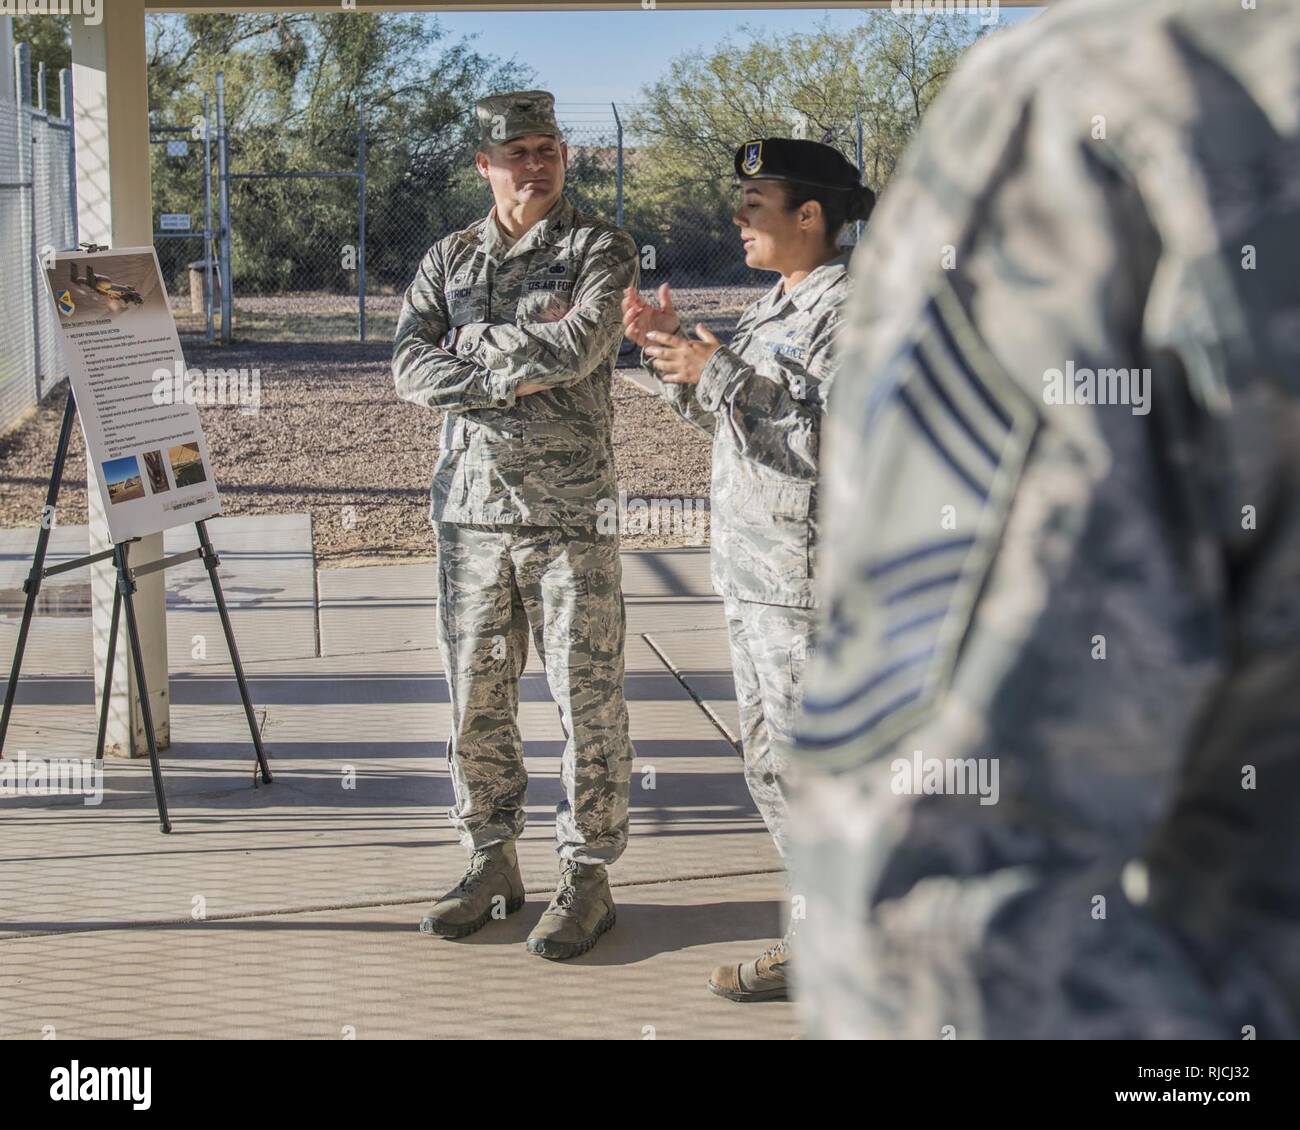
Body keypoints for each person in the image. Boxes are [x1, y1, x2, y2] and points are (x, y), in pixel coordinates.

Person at [787, 0, 1300, 1038]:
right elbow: (948, 922)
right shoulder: (1148, 114)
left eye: (762, 202)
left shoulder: (1128, 104)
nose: (745, 219)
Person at [623, 138, 874, 1001]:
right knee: (771, 767)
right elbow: (746, 426)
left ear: (812, 217)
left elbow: (834, 444)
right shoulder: (780, 302)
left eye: (755, 202)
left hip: (812, 588)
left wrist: (720, 369)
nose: (738, 219)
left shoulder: (860, 308)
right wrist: (671, 359)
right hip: (756, 577)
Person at [393, 90, 639, 961]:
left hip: (568, 516)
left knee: (587, 696)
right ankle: (491, 859)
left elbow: (581, 349)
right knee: (477, 702)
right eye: (518, 153)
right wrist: (509, 367)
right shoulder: (450, 254)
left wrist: (475, 352)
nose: (536, 166)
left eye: (549, 149)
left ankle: (588, 875)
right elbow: (407, 366)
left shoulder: (598, 247)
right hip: (469, 515)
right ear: (484, 166)